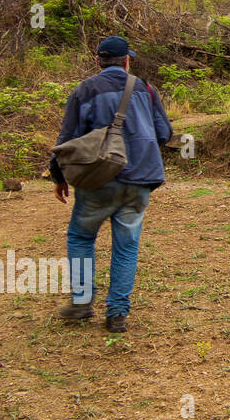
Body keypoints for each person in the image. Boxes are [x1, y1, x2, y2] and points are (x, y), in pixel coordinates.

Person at [49, 36, 173, 333]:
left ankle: (81, 303)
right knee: (127, 246)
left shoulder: (85, 90)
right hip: (141, 179)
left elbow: (67, 139)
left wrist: (57, 176)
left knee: (81, 236)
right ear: (127, 60)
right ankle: (117, 314)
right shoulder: (146, 89)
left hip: (98, 181)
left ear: (97, 62)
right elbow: (164, 134)